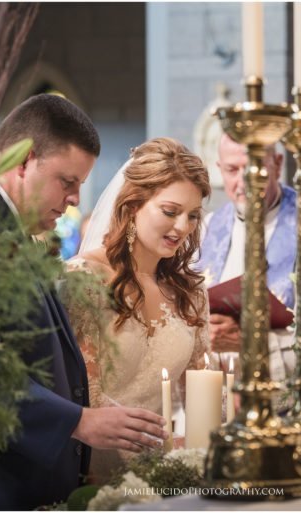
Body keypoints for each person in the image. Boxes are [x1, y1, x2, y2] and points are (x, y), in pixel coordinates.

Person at [0, 94, 168, 510]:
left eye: (80, 186)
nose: (74, 199)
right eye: (67, 181)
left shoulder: (12, 229)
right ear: (23, 160)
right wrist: (78, 422)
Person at [64, 137, 213, 483]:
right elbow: (86, 395)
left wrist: (205, 444)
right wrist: (156, 445)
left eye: (192, 216)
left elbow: (202, 392)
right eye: (170, 211)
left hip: (167, 473)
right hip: (90, 473)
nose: (183, 227)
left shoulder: (190, 292)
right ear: (133, 205)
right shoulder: (82, 280)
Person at [197, 133, 301, 386]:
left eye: (255, 168)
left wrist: (252, 343)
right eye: (232, 170)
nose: (243, 181)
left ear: (278, 164)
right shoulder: (206, 229)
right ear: (219, 170)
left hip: (287, 394)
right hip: (216, 393)